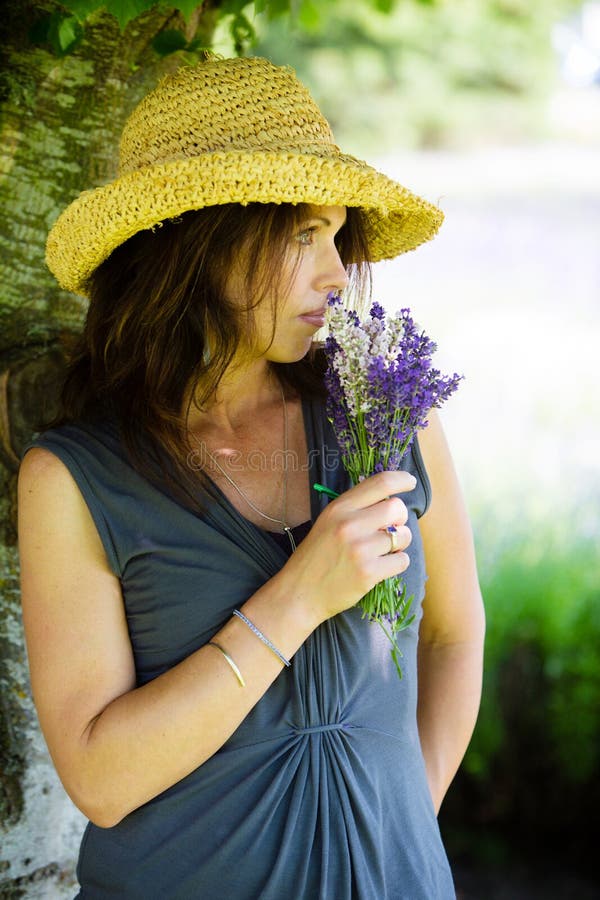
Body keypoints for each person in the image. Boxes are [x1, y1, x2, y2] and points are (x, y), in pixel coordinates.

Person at [18, 56, 484, 899]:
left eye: (338, 235)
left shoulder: (387, 414)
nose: (337, 273)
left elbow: (454, 632)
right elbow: (98, 776)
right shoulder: (74, 477)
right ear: (200, 243)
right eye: (303, 234)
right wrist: (301, 593)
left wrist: (405, 818)